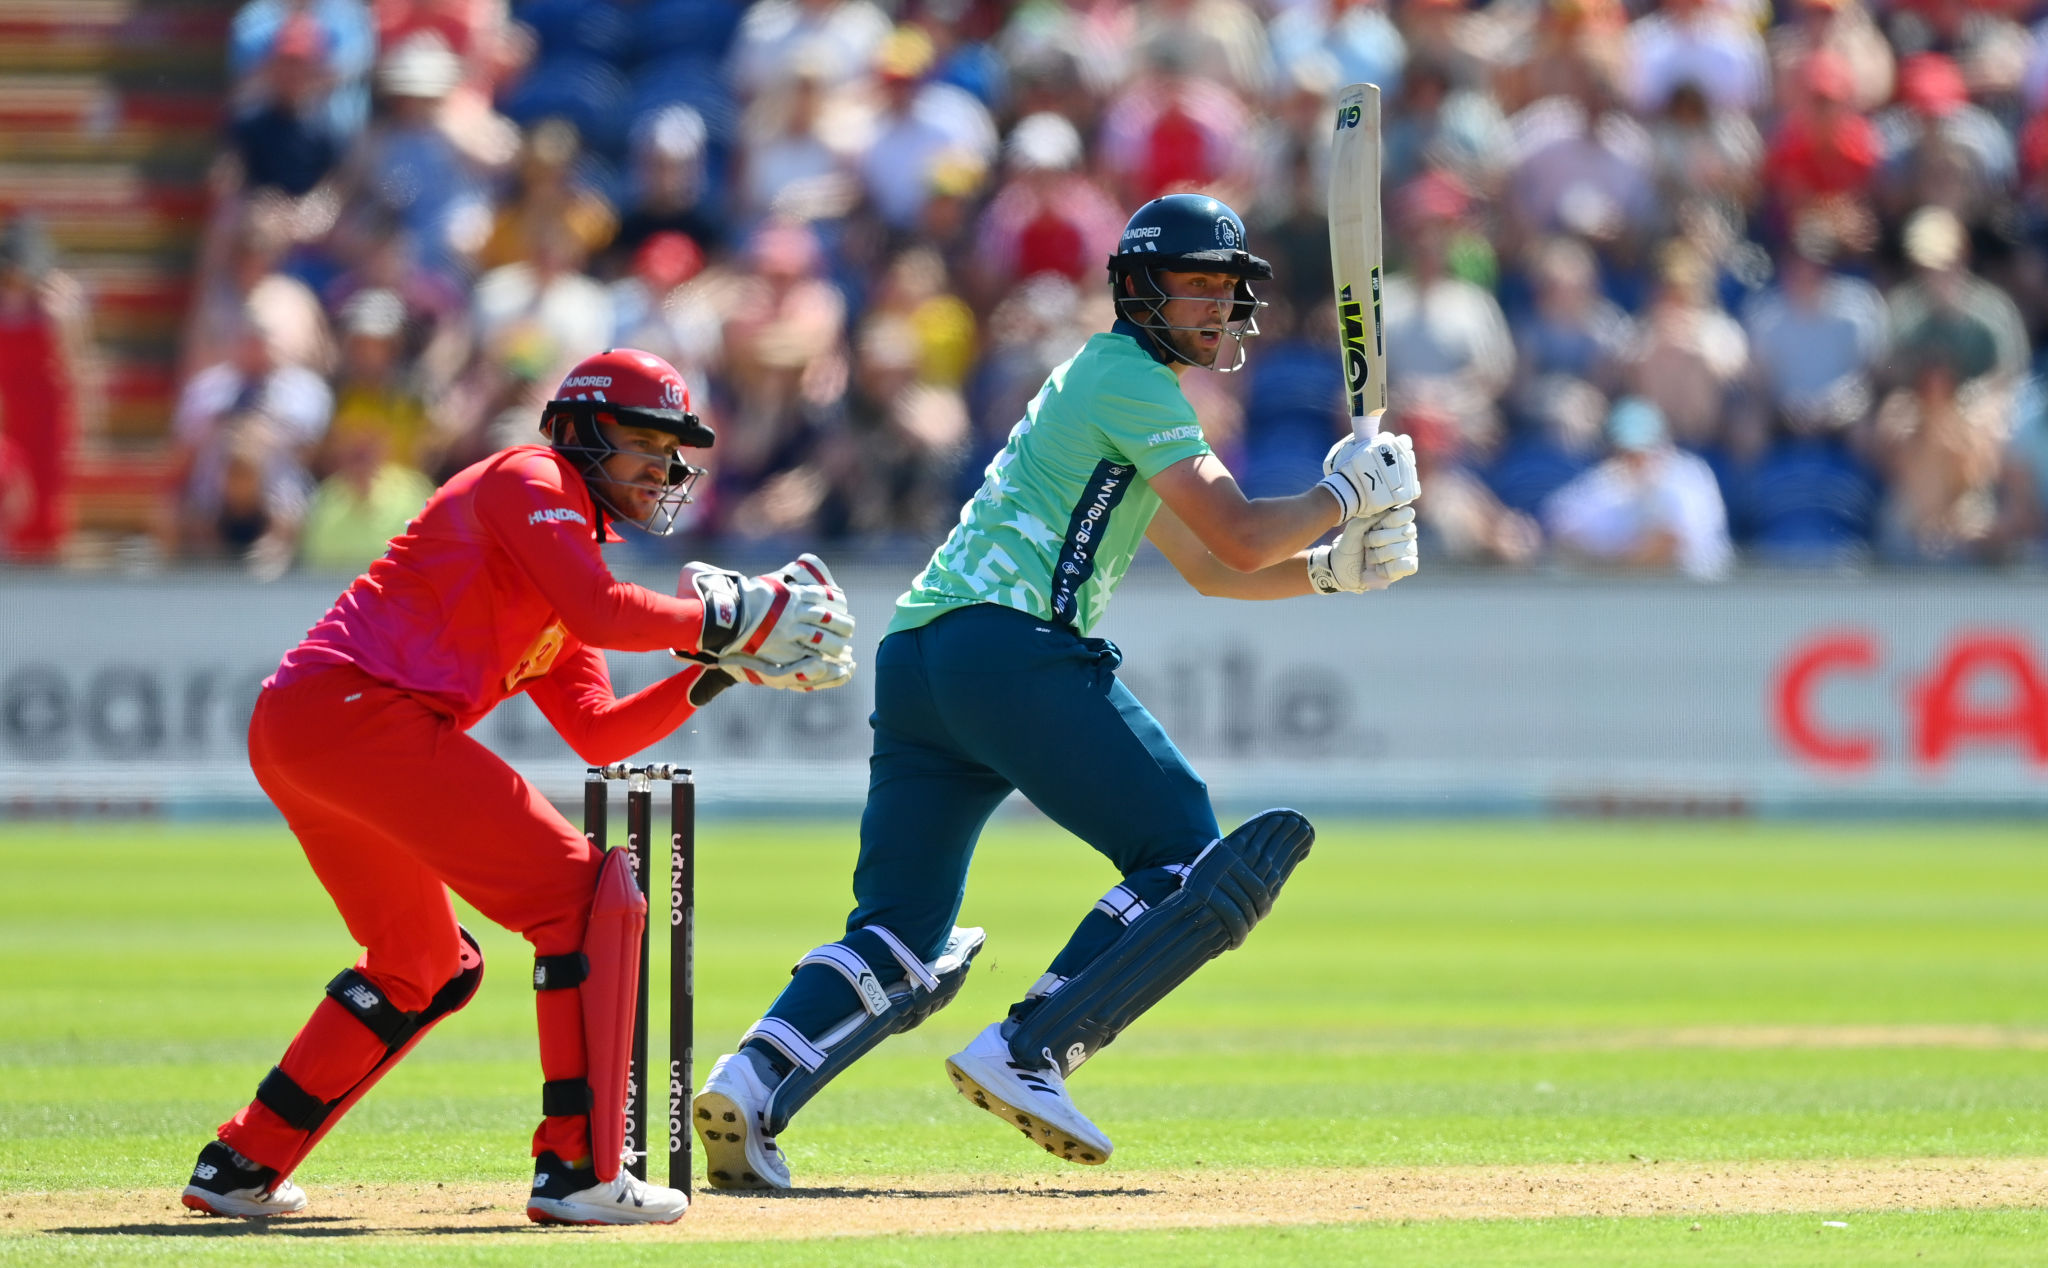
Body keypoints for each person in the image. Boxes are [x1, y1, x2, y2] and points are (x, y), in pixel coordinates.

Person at [691, 194, 1421, 1189]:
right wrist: (1347, 492)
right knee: (1184, 858)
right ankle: (1029, 1045)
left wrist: (1339, 566)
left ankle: (753, 1075)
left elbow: (1215, 566)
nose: (1215, 308)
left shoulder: (1107, 383)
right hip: (1010, 646)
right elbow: (1243, 533)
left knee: (901, 930)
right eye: (1194, 286)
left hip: (922, 659)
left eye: (1225, 289)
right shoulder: (1128, 376)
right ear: (1138, 290)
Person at [180, 349, 856, 1225]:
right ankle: (577, 1171)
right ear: (576, 432)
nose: (662, 468)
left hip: (310, 730)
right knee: (584, 900)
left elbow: (599, 732)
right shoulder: (528, 477)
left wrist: (716, 669)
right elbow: (606, 611)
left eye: (671, 451)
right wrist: (729, 618)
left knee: (425, 964)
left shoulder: (563, 561)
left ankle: (243, 1163)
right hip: (357, 715)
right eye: (644, 443)